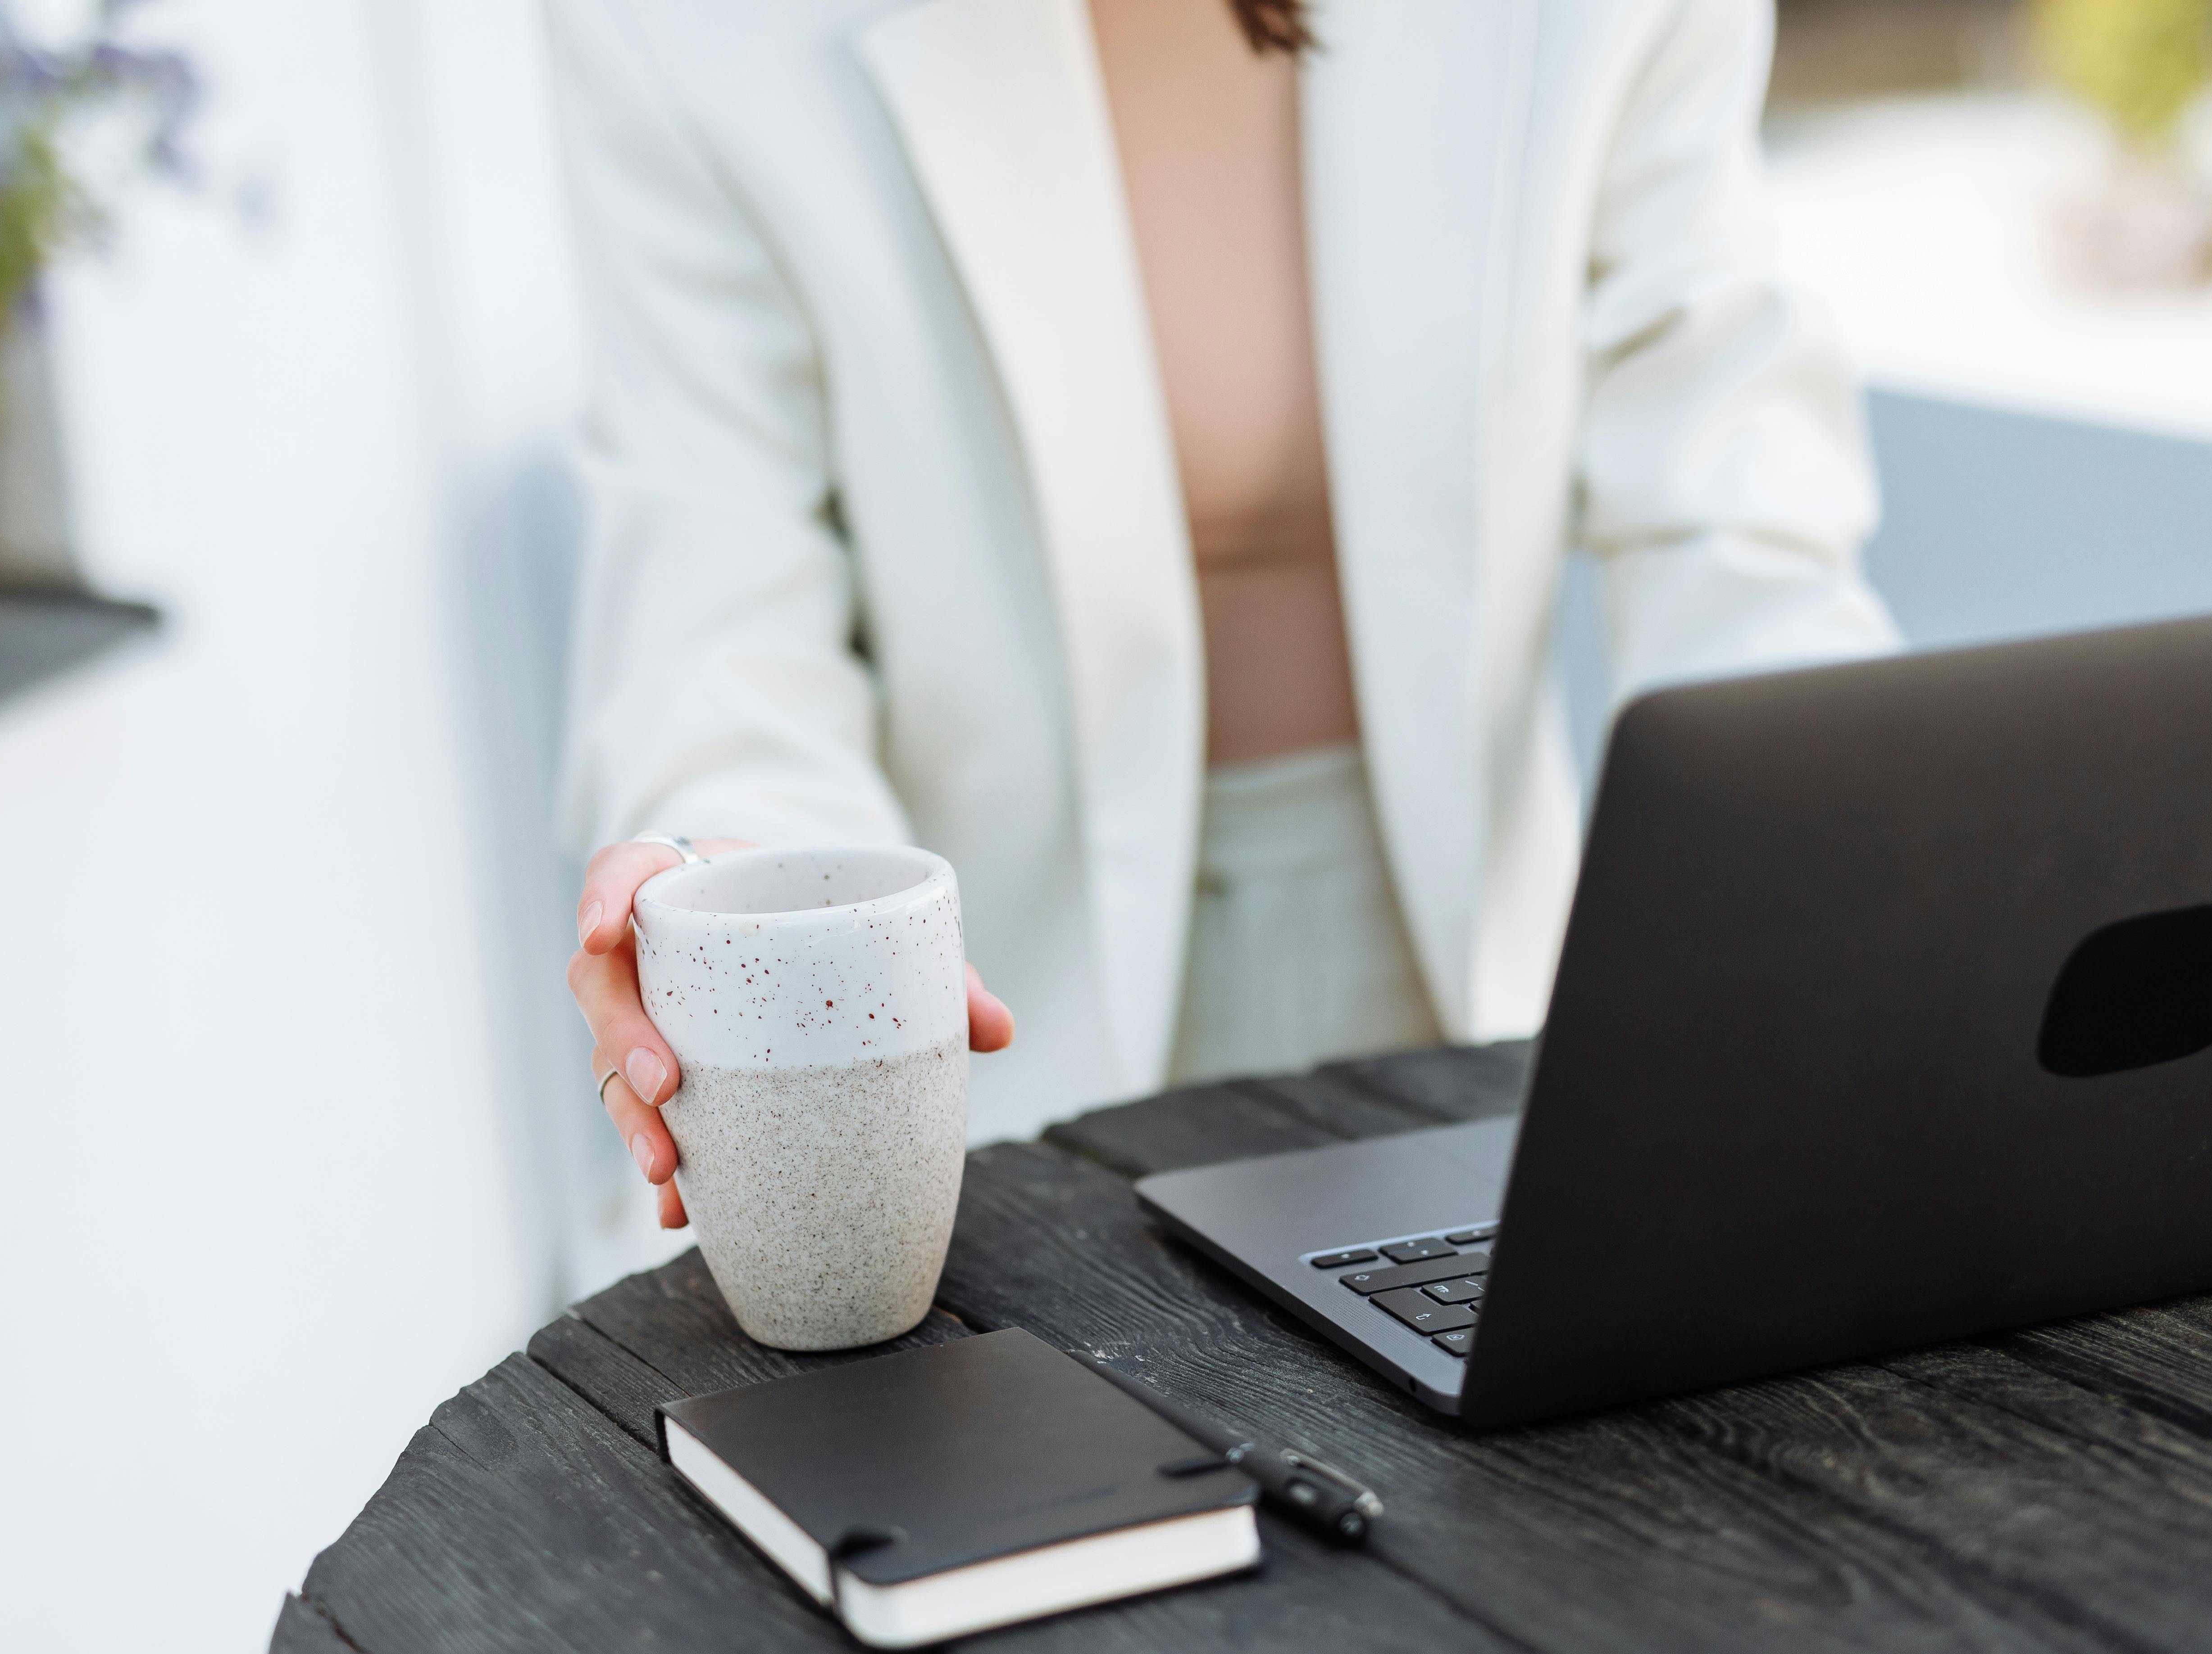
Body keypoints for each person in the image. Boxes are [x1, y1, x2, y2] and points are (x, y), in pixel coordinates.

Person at [553, 0, 1895, 1233]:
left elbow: (1735, 514)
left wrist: (1862, 860)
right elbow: (722, 615)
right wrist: (757, 901)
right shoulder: (679, 35)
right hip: (1000, 1053)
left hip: (1492, 1028)